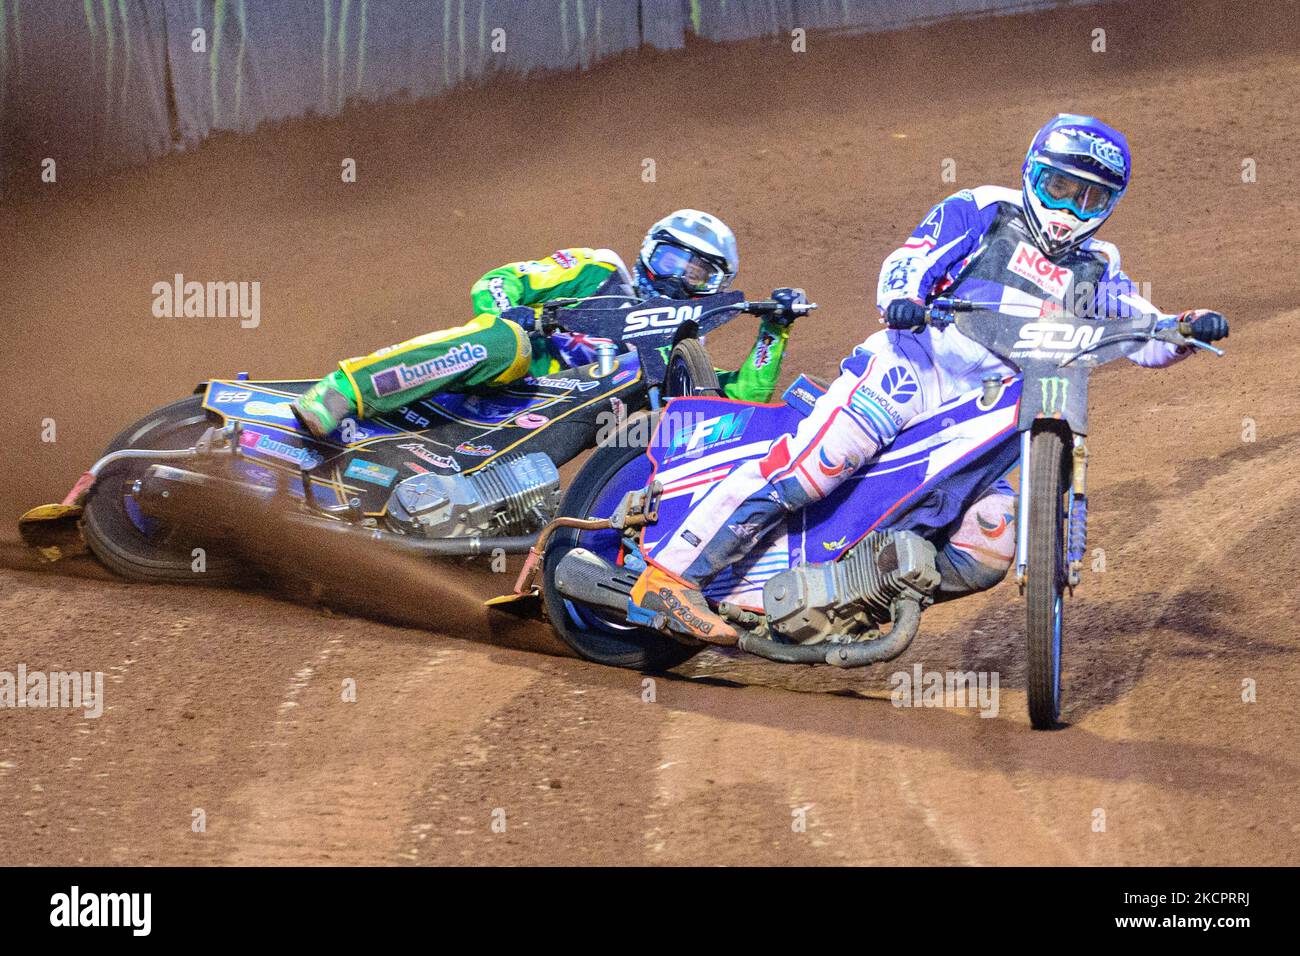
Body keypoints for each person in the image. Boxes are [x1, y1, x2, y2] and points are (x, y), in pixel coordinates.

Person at [632, 114, 1230, 644]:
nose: (1071, 209)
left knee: (992, 541)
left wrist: (1183, 329)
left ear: (1109, 204)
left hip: (986, 409)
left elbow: (1140, 331)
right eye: (1060, 188)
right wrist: (904, 297)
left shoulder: (1099, 265)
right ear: (1033, 173)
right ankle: (671, 577)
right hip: (912, 367)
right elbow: (909, 259)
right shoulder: (985, 208)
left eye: (1090, 198)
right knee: (816, 466)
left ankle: (856, 596)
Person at [291, 209, 798, 438]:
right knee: (505, 341)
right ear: (649, 252)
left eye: (698, 272)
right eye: (671, 260)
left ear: (715, 286)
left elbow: (745, 400)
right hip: (508, 374)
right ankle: (341, 391)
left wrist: (773, 332)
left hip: (554, 421)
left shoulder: (680, 345)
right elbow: (497, 281)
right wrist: (514, 314)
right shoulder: (600, 269)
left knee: (671, 430)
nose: (677, 279)